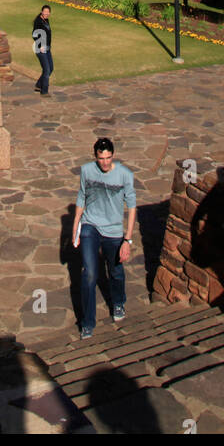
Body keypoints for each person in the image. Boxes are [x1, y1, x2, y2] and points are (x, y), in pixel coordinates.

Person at [72, 137, 137, 338]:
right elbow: (81, 197)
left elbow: (132, 207)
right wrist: (75, 227)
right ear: (95, 157)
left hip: (114, 230)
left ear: (113, 156)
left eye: (109, 158)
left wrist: (127, 240)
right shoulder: (87, 171)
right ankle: (87, 322)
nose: (105, 162)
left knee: (115, 271)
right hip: (91, 226)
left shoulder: (125, 175)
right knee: (89, 274)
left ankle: (118, 302)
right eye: (101, 158)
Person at [32, 4, 53, 96]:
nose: (46, 13)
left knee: (50, 68)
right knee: (47, 69)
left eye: (48, 12)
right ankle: (44, 91)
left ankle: (39, 85)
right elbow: (34, 34)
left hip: (47, 48)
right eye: (45, 12)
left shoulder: (46, 20)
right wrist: (40, 45)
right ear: (42, 12)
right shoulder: (38, 21)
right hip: (40, 49)